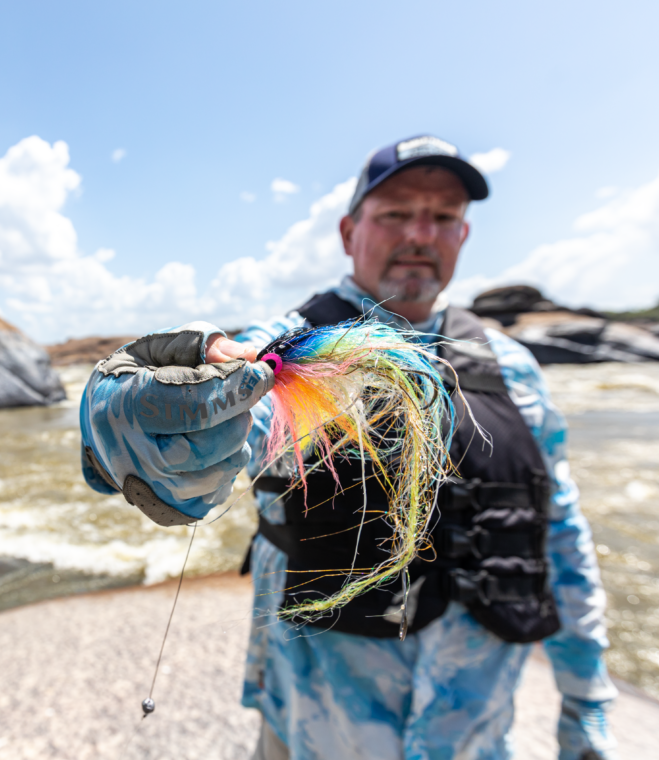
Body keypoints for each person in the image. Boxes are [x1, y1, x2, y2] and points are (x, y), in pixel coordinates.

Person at [79, 135, 619, 760]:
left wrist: (587, 696)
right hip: (316, 727)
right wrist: (125, 432)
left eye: (444, 217)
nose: (420, 232)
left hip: (479, 734)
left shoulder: (517, 371)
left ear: (463, 237)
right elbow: (211, 425)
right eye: (395, 213)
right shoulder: (287, 347)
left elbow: (562, 530)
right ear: (348, 231)